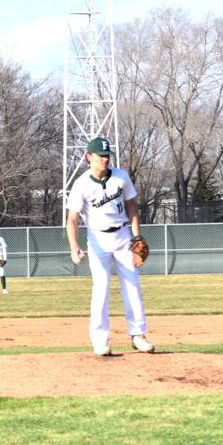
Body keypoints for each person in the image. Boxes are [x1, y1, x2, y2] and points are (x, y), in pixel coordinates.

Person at [66, 137, 154, 356]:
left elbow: (131, 207)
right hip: (97, 239)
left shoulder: (121, 177)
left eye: (107, 155)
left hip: (123, 235)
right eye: (100, 155)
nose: (105, 159)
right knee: (101, 288)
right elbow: (72, 219)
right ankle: (100, 340)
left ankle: (138, 335)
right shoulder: (82, 184)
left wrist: (136, 237)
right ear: (89, 157)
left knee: (132, 285)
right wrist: (74, 246)